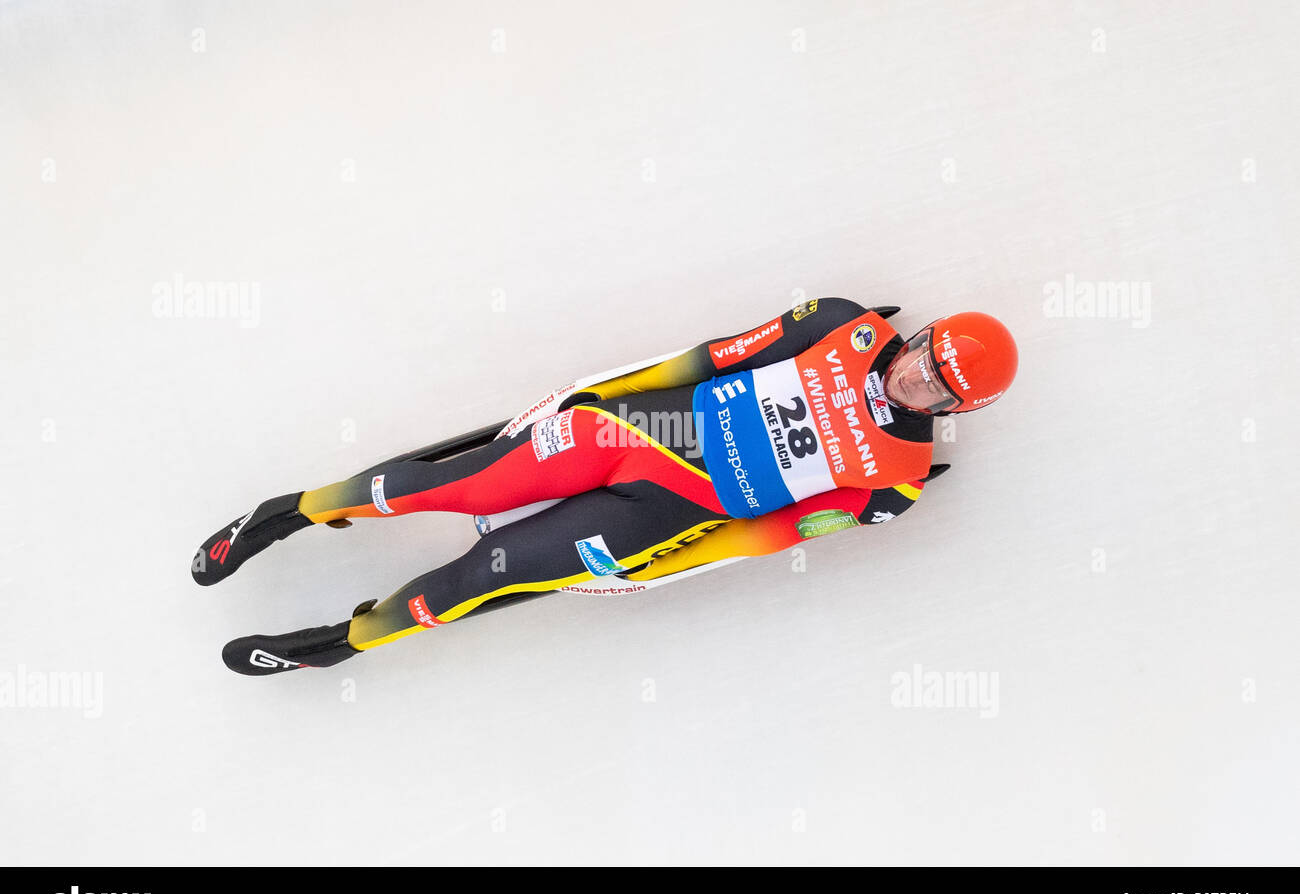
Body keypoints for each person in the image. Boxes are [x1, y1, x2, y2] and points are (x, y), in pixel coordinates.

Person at [193, 298, 1018, 675]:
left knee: (492, 573)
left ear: (952, 407)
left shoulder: (897, 483)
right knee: (456, 489)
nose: (917, 380)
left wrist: (663, 567)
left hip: (671, 512)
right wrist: (588, 395)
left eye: (937, 387)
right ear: (916, 336)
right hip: (637, 429)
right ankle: (287, 515)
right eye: (924, 357)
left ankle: (344, 643)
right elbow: (705, 359)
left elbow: (772, 536)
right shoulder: (839, 325)